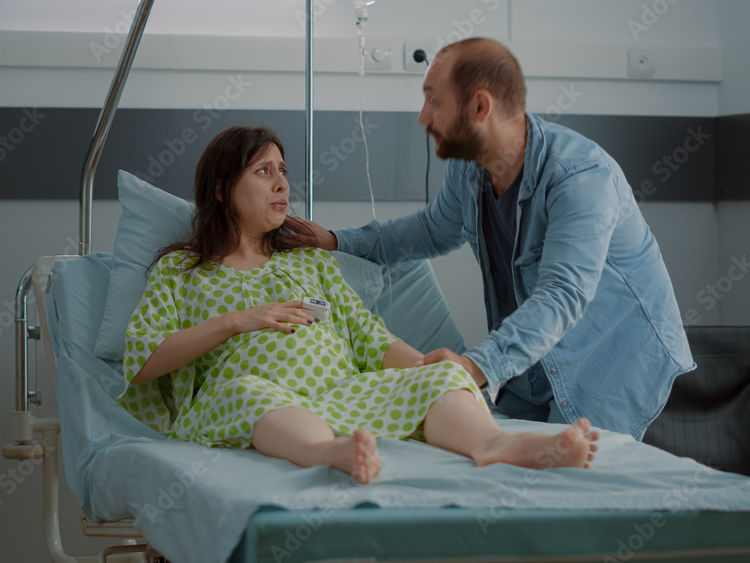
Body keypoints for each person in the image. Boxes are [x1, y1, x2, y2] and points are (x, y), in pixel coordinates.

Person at [118, 125, 598, 484]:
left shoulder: (312, 264)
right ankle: (330, 454)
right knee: (249, 389)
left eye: (283, 171)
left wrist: (425, 366)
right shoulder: (182, 271)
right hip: (246, 399)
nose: (282, 184)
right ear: (222, 189)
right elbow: (144, 359)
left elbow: (368, 336)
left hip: (341, 395)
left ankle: (497, 445)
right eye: (263, 171)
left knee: (445, 372)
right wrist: (239, 321)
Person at [289, 37, 694, 440]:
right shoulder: (472, 170)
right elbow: (430, 231)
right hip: (532, 365)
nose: (423, 117)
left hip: (610, 363)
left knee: (573, 489)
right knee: (509, 470)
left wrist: (475, 366)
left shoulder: (579, 177)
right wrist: (335, 241)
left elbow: (563, 294)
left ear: (480, 106)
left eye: (434, 100)